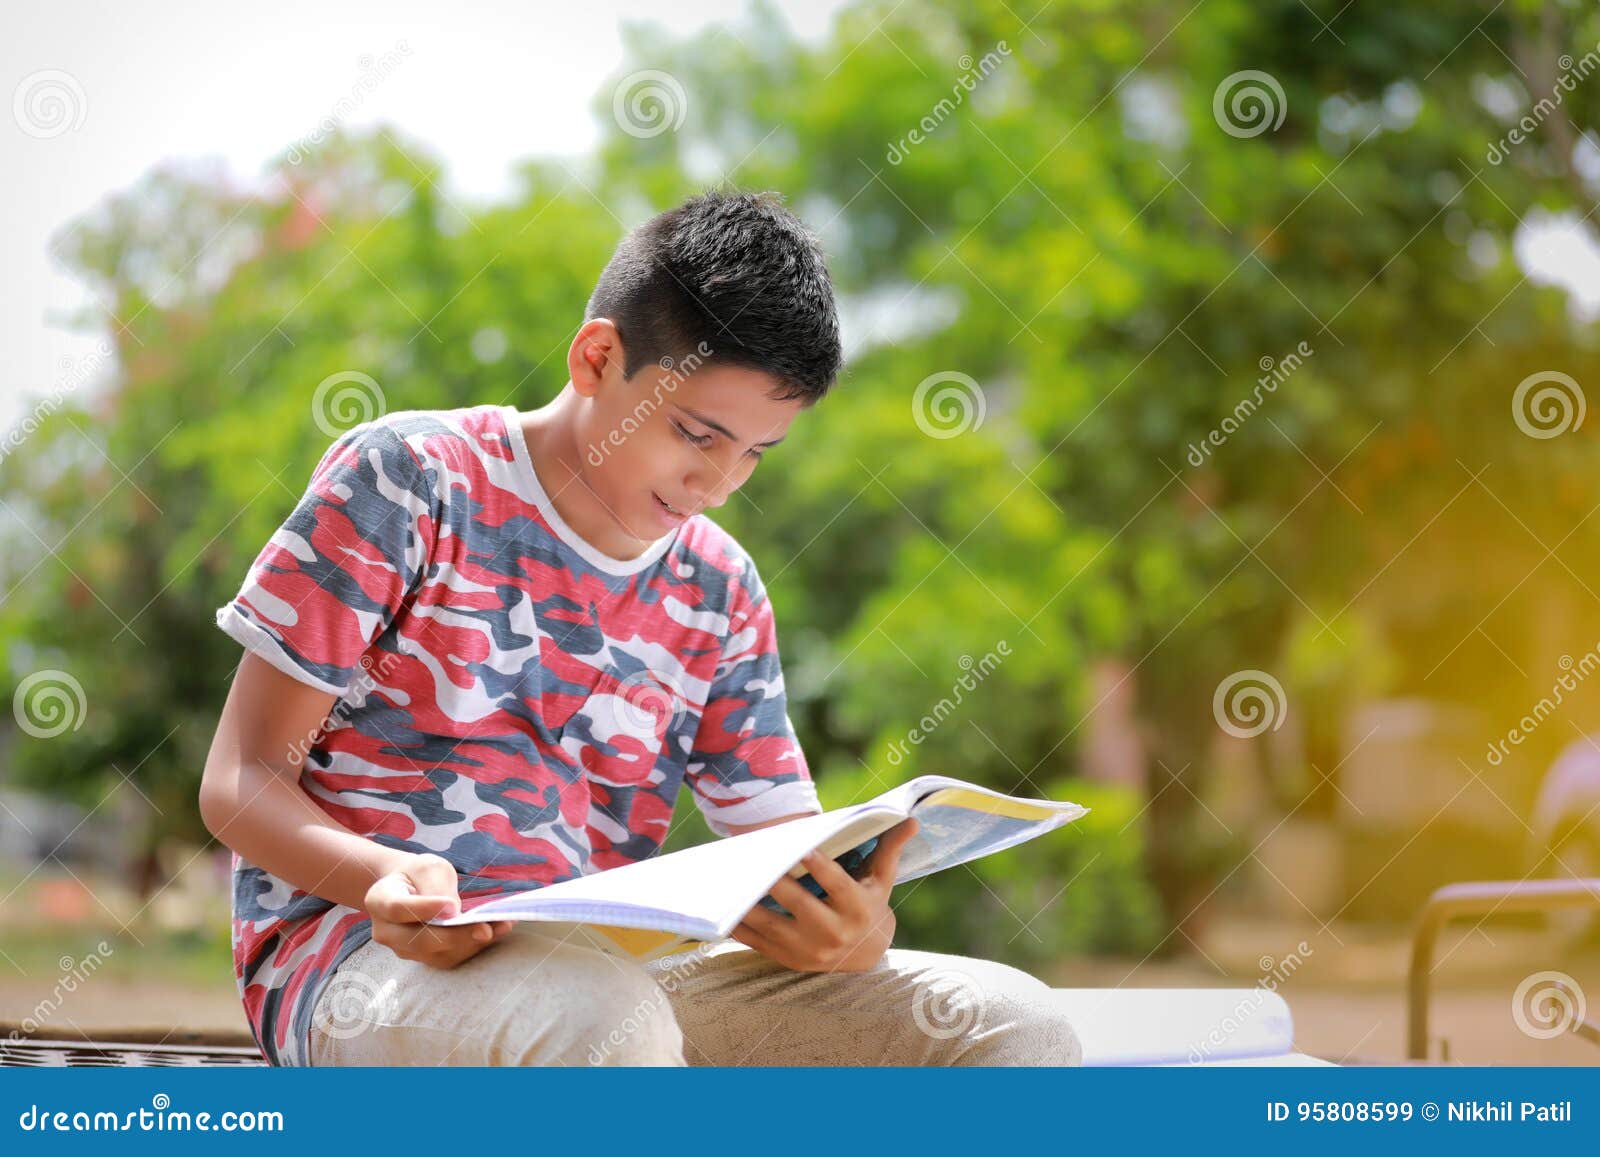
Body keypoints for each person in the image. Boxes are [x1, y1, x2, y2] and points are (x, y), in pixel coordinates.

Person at [198, 190, 1081, 1067]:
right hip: (363, 960)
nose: (720, 481)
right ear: (597, 357)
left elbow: (788, 847)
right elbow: (239, 778)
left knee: (1013, 1023)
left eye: (753, 452)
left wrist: (854, 927)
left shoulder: (720, 588)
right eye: (697, 434)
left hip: (617, 979)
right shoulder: (410, 480)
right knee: (594, 1022)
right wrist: (379, 879)